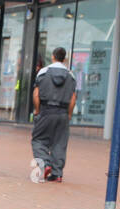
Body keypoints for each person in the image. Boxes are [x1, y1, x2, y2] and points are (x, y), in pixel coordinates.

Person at [31, 46, 77, 182]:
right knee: (60, 143)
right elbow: (73, 99)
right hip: (63, 113)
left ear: (53, 56)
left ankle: (45, 164)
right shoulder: (70, 75)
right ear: (64, 58)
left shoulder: (43, 72)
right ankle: (57, 174)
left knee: (38, 140)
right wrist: (68, 114)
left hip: (46, 110)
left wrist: (38, 110)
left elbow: (36, 94)